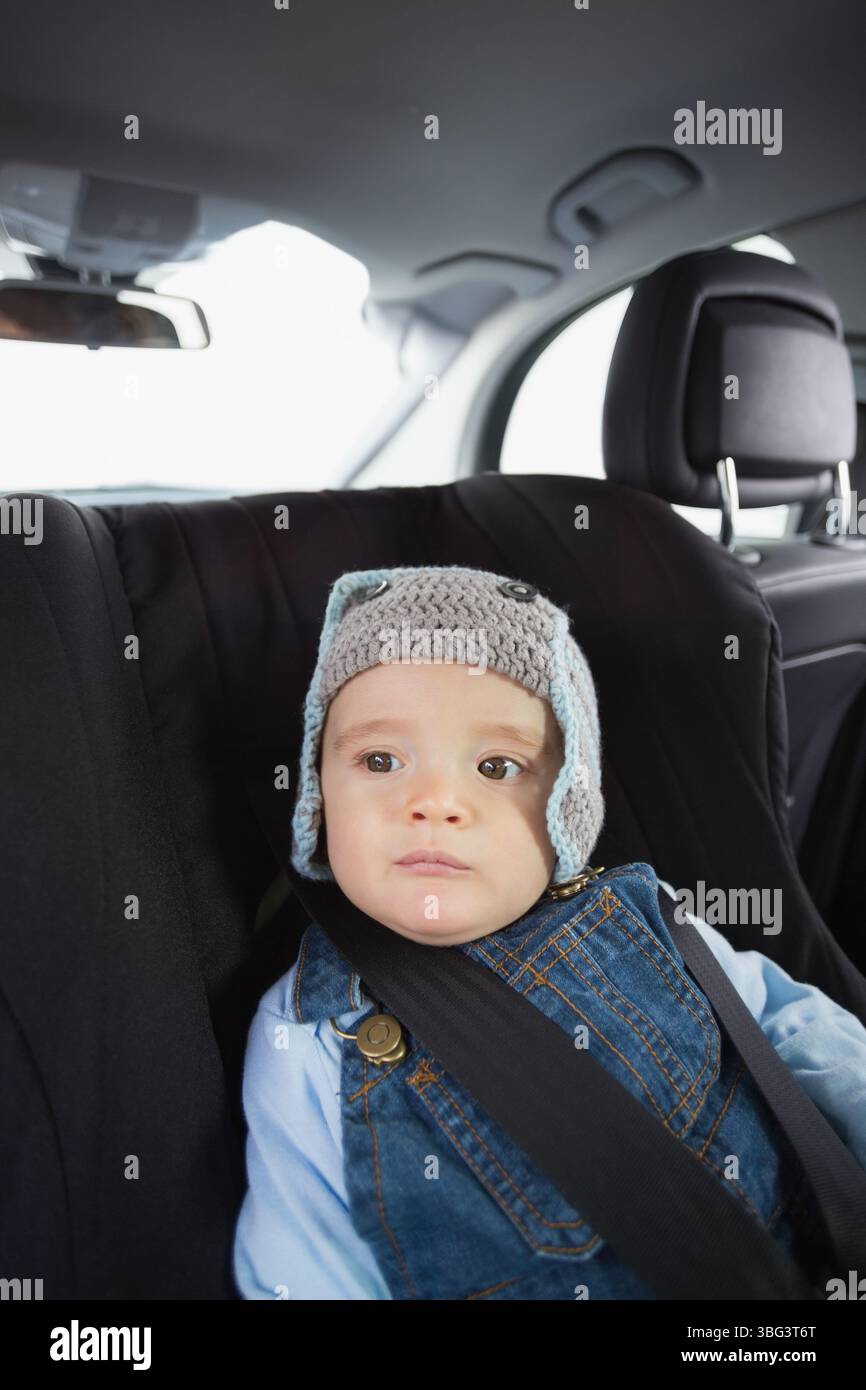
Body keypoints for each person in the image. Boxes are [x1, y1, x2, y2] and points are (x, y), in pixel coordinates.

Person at [233, 564, 866, 1300]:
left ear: (567, 801)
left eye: (497, 766)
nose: (434, 801)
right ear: (319, 792)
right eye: (381, 760)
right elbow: (302, 1264)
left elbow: (788, 1026)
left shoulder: (644, 913)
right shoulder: (307, 1032)